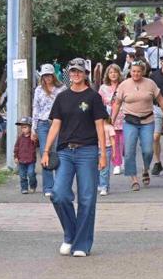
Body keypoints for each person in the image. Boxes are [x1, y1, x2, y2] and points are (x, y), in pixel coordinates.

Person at [43, 59, 110, 257]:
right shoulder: (62, 97)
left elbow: (100, 126)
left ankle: (82, 243)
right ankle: (70, 234)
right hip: (65, 151)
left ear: (85, 73)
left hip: (87, 151)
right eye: (72, 71)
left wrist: (103, 153)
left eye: (79, 71)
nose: (76, 74)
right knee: (59, 193)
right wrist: (46, 150)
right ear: (68, 73)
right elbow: (55, 124)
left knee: (87, 198)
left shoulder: (93, 97)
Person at [111, 59, 163, 191]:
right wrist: (111, 121)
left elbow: (160, 99)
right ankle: (134, 179)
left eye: (138, 71)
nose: (136, 74)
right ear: (130, 71)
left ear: (143, 72)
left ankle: (146, 168)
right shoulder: (124, 85)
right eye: (133, 71)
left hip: (147, 121)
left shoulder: (150, 83)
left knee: (148, 150)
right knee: (129, 150)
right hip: (130, 121)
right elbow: (117, 103)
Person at [33, 65, 65, 196]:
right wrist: (34, 128)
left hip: (58, 123)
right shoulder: (39, 90)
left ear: (53, 75)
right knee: (44, 153)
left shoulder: (62, 89)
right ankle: (48, 187)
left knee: (58, 152)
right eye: (45, 75)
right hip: (43, 123)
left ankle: (60, 184)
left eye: (49, 75)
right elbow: (35, 108)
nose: (47, 78)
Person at [98, 63, 126, 193]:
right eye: (111, 72)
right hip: (107, 118)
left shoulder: (123, 86)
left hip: (122, 116)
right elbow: (99, 102)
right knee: (111, 141)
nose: (113, 74)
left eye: (115, 72)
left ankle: (120, 161)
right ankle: (116, 163)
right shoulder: (103, 88)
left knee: (121, 142)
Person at [13, 118, 38, 193]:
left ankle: (33, 185)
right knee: (22, 176)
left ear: (30, 127)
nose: (23, 129)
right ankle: (24, 188)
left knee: (31, 174)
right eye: (22, 127)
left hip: (31, 160)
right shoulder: (20, 138)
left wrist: (35, 139)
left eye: (25, 127)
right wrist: (15, 157)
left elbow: (37, 144)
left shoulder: (33, 137)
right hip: (21, 160)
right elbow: (16, 147)